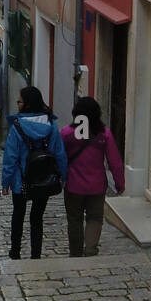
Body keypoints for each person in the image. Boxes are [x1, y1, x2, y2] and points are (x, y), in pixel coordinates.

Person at [2, 85, 68, 260]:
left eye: (20, 101)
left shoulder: (17, 126)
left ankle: (15, 251)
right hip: (44, 179)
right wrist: (62, 176)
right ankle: (35, 254)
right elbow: (59, 153)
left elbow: (10, 157)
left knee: (18, 215)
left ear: (28, 104)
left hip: (20, 181)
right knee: (37, 217)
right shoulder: (51, 124)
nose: (17, 103)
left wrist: (5, 182)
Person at [60, 97, 124, 257]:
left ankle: (75, 253)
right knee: (95, 218)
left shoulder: (67, 133)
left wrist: (62, 178)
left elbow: (60, 159)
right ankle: (90, 250)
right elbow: (115, 162)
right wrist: (119, 183)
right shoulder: (105, 134)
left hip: (73, 185)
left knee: (74, 220)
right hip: (96, 186)